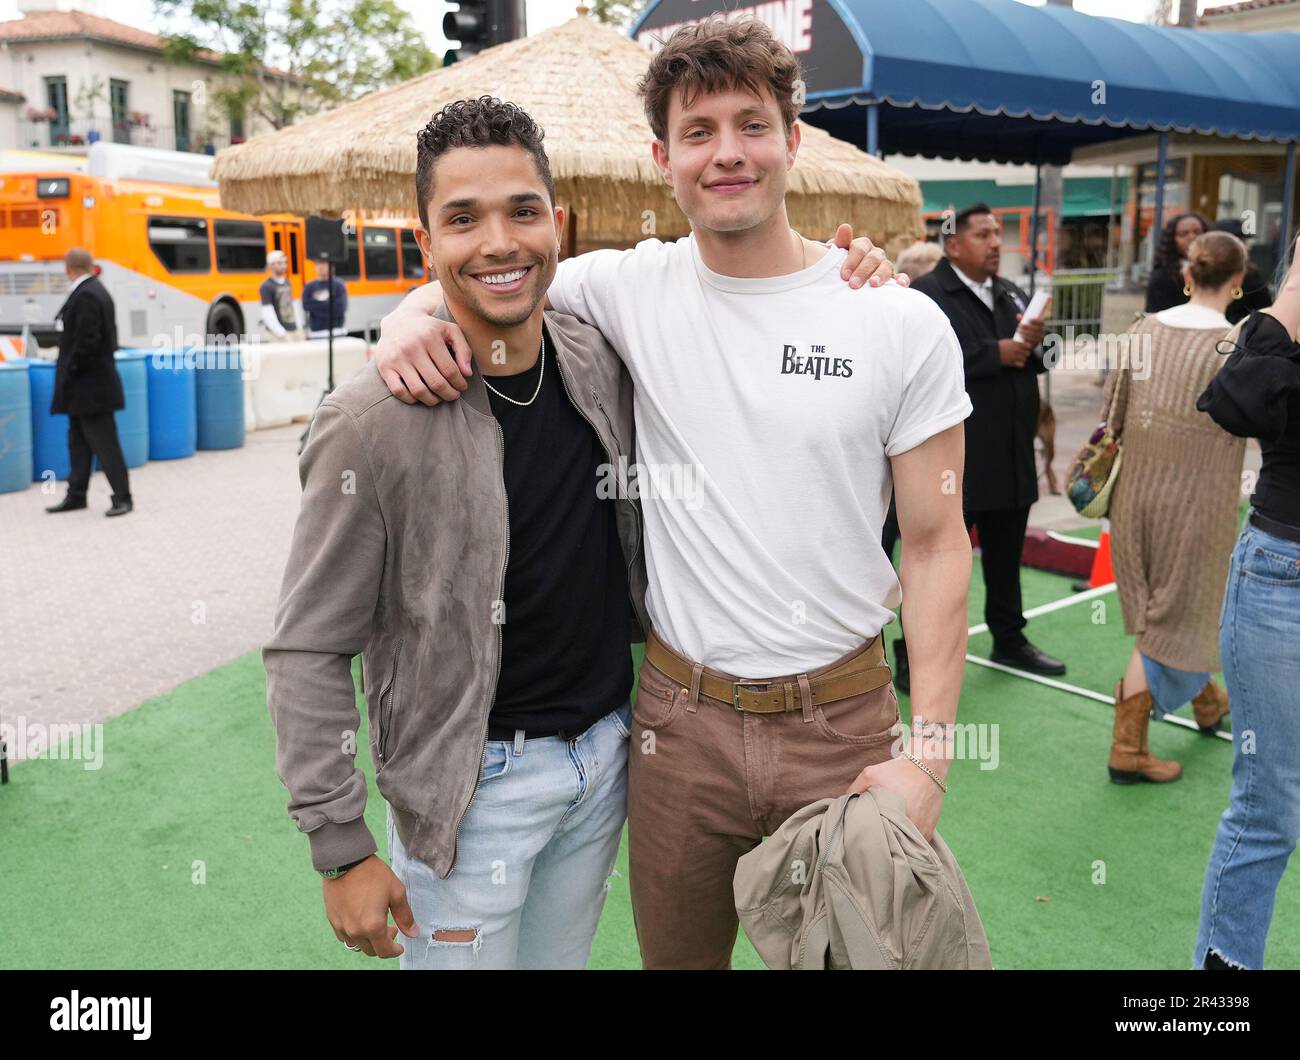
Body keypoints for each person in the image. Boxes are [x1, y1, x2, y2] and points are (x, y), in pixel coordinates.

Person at [375, 18, 976, 971]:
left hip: (842, 726)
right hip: (675, 729)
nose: (727, 152)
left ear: (791, 140)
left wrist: (932, 749)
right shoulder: (625, 288)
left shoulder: (897, 322)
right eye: (698, 131)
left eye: (751, 124)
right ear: (663, 157)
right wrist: (401, 316)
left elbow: (940, 543)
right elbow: (494, 273)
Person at [264, 92, 899, 969]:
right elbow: (306, 647)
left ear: (555, 224)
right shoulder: (371, 420)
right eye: (463, 219)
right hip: (469, 791)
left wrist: (846, 271)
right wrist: (339, 843)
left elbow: (749, 308)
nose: (498, 241)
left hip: (607, 762)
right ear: (426, 245)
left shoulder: (601, 355)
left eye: (521, 211)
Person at [1103, 231, 1248, 785]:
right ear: (1238, 281)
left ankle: (1208, 701)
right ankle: (1127, 747)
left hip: (1134, 498)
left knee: (1167, 607)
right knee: (1171, 616)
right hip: (1201, 504)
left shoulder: (1142, 329)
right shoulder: (1239, 345)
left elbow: (1111, 412)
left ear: (1189, 274)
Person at [1193, 233, 1300, 970]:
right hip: (1282, 578)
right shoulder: (1282, 338)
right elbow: (1229, 400)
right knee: (1270, 808)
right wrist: (1297, 291)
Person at [903, 203, 1066, 683]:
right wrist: (998, 353)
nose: (996, 243)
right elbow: (923, 360)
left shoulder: (1012, 292)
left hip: (1013, 453)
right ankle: (916, 656)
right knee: (938, 565)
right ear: (952, 245)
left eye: (997, 233)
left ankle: (1009, 639)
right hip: (958, 461)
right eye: (983, 235)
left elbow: (1047, 357)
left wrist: (1038, 342)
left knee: (1005, 556)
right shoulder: (929, 294)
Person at [44, 247, 132, 518]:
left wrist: (69, 371)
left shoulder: (86, 296)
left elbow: (87, 342)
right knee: (79, 442)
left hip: (90, 387)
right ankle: (77, 494)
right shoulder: (96, 291)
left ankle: (123, 497)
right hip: (87, 388)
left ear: (69, 269)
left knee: (105, 444)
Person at [1209, 218, 1272, 326]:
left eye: (1243, 241)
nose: (1245, 246)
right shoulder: (1201, 273)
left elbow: (1264, 317)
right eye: (1239, 241)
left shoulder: (1252, 277)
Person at [1145, 212, 1207, 314]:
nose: (1192, 237)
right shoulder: (1162, 277)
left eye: (1197, 232)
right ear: (1172, 239)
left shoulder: (1217, 272)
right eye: (1183, 234)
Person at [259, 249, 304, 340]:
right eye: (279, 263)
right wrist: (281, 333)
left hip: (293, 330)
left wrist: (299, 326)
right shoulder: (266, 286)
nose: (283, 266)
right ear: (271, 265)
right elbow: (267, 311)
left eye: (285, 262)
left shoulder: (287, 283)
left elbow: (293, 306)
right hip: (278, 334)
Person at [301, 260, 348, 338]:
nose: (321, 267)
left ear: (331, 267)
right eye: (318, 264)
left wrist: (316, 305)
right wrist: (329, 303)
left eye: (324, 264)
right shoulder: (309, 286)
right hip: (316, 333)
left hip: (337, 331)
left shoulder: (339, 285)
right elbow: (306, 306)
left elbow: (341, 307)